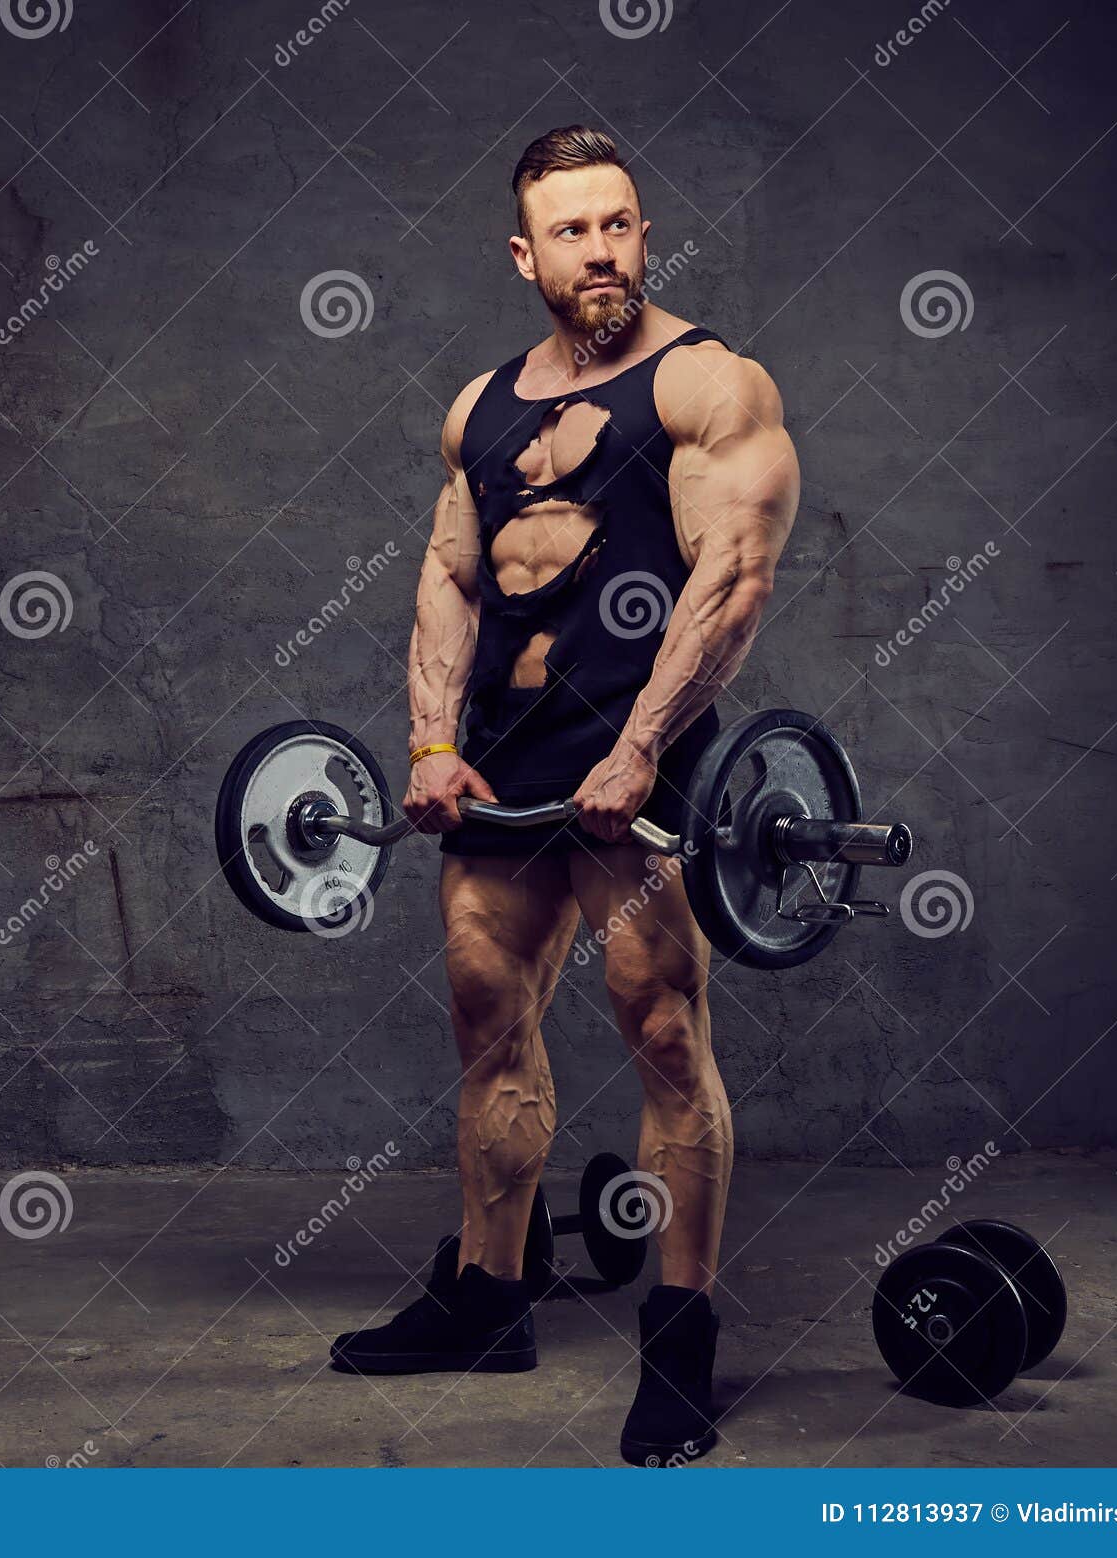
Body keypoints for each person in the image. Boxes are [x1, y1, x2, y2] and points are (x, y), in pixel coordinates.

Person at [329, 124, 800, 1468]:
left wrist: (643, 747)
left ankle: (681, 1339)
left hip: (638, 752)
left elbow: (733, 581)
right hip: (508, 757)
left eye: (622, 224)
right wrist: (430, 745)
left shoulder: (709, 386)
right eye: (575, 232)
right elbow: (451, 579)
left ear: (644, 232)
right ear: (526, 252)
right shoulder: (481, 407)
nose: (604, 250)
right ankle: (488, 1295)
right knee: (488, 1019)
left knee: (659, 1027)